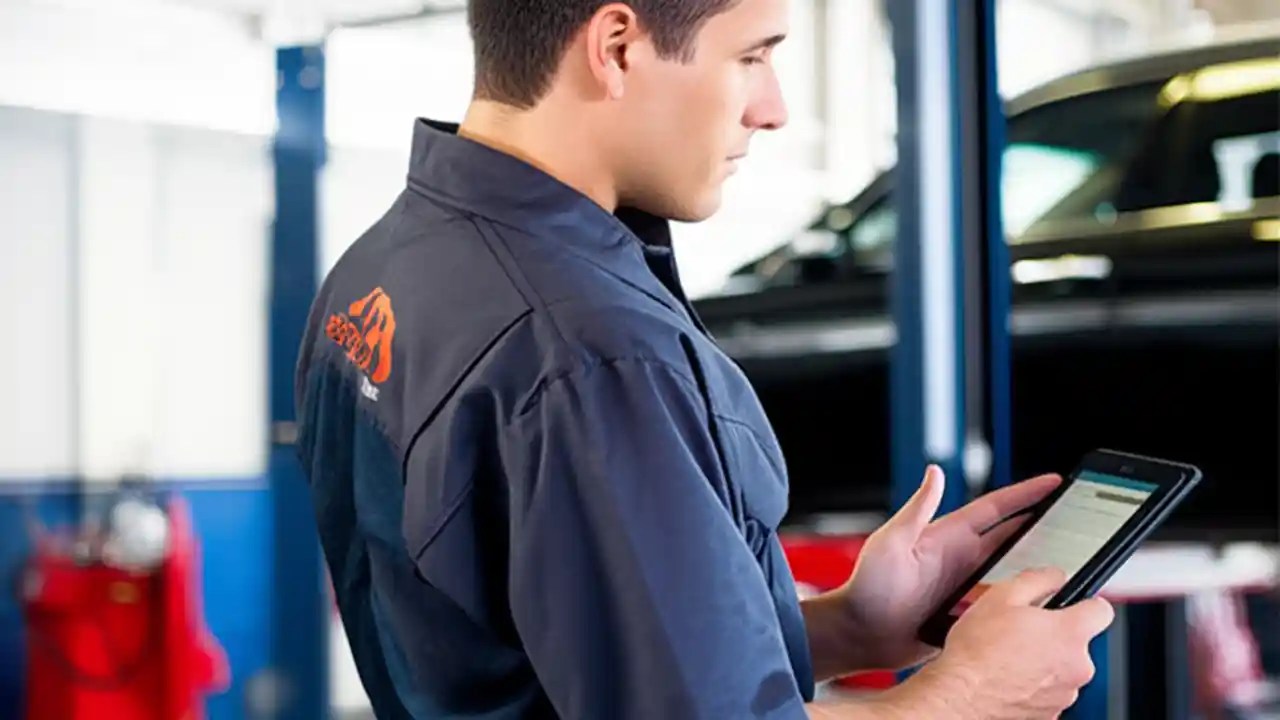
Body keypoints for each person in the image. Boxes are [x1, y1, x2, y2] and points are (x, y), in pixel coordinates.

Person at [294, 0, 1115, 717]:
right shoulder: (592, 355)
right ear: (617, 47)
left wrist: (850, 625)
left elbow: (551, 649)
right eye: (752, 56)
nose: (773, 109)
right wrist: (968, 697)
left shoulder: (382, 269)